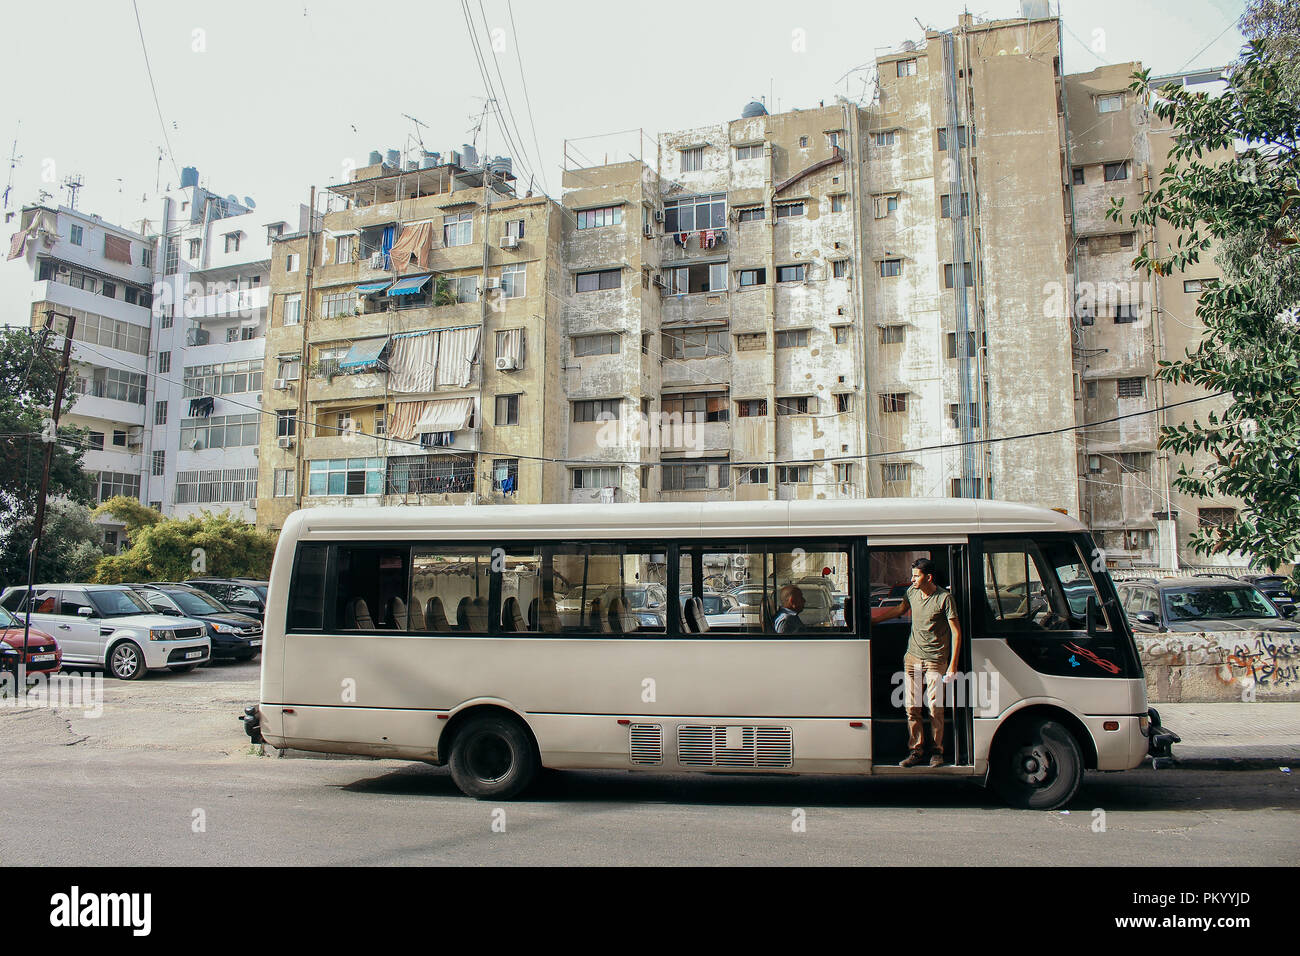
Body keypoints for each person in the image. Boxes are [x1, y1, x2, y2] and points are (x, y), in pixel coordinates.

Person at [873, 558, 962, 767]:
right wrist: (874, 621)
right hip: (912, 657)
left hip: (935, 659)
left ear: (928, 577)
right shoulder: (912, 593)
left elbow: (956, 633)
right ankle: (916, 750)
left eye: (916, 576)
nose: (912, 579)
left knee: (934, 707)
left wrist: (953, 665)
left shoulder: (944, 598)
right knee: (912, 707)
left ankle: (937, 751)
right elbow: (899, 610)